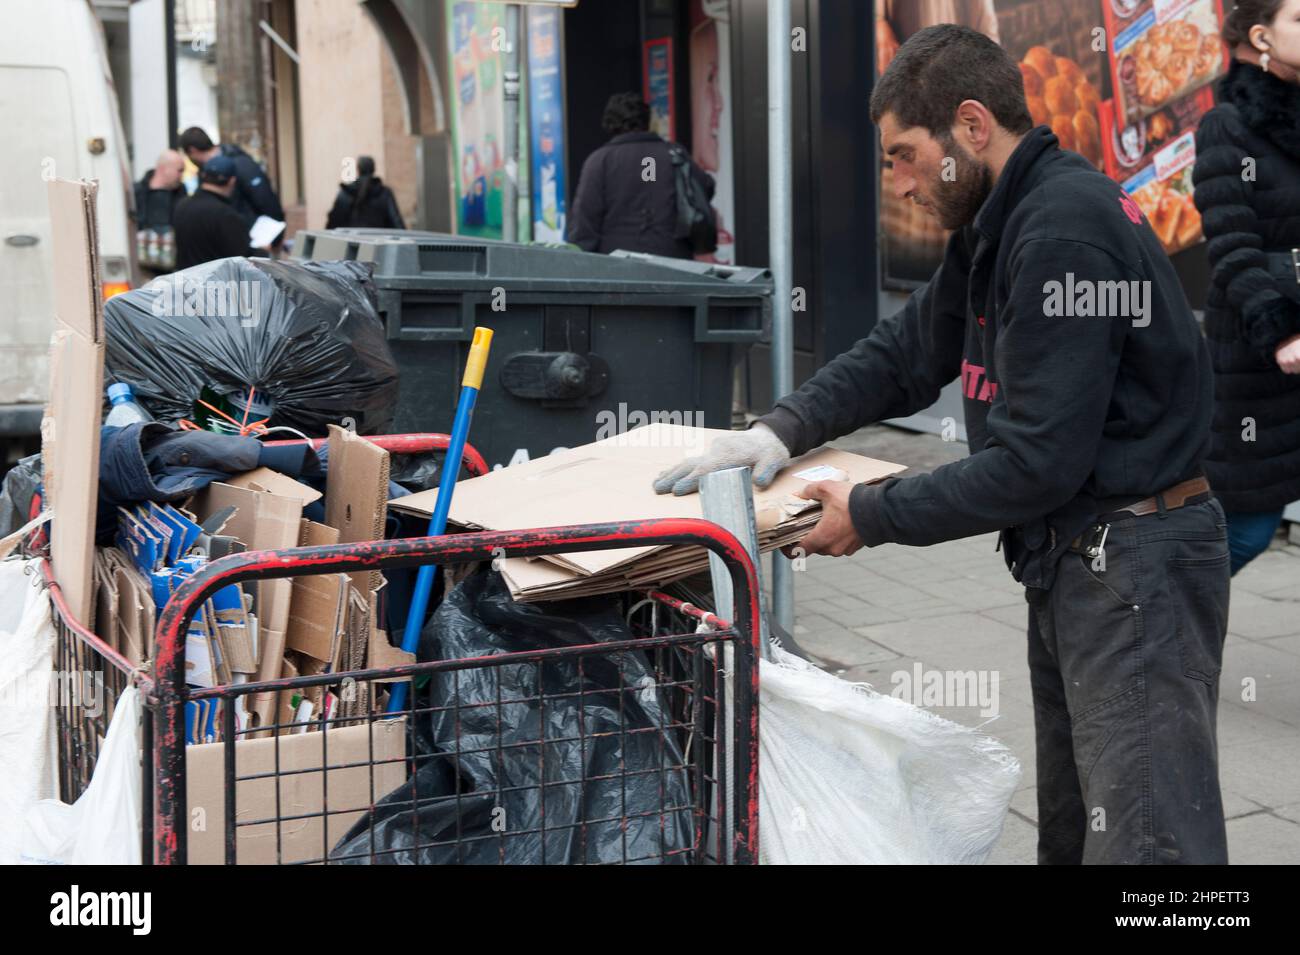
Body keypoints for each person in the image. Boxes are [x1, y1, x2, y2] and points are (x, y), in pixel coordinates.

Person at [655, 25, 1230, 865]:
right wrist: (776, 431)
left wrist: (869, 512)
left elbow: (1034, 464)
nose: (897, 182)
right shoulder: (1004, 221)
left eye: (904, 155)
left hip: (1136, 566)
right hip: (1084, 558)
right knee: (1081, 833)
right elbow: (906, 352)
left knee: (1150, 849)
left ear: (970, 125)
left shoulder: (1060, 231)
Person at [1192, 0, 1300, 575]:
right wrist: (1281, 331)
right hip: (1262, 356)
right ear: (1261, 36)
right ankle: (1157, 612)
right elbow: (1232, 245)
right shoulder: (1228, 124)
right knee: (1248, 530)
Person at [568, 92, 714, 258]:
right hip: (672, 258)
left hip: (618, 261)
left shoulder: (599, 161)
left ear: (610, 123)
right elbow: (705, 187)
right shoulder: (674, 154)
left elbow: (585, 217)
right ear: (647, 120)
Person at [179, 126, 285, 227]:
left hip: (249, 232)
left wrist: (274, 231)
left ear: (192, 150)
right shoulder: (204, 171)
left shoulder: (241, 164)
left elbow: (265, 200)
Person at [172, 156, 266, 270]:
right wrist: (263, 251)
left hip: (185, 278)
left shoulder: (182, 205)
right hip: (215, 280)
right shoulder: (226, 215)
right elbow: (243, 259)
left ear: (203, 176)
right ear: (232, 181)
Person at [325, 155, 406, 230]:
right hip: (377, 239)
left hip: (351, 240)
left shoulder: (346, 192)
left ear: (358, 169)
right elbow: (396, 221)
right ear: (374, 169)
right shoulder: (385, 193)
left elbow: (333, 222)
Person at [133, 149, 187, 231]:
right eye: (180, 170)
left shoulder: (181, 193)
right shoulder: (136, 192)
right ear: (163, 169)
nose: (182, 175)